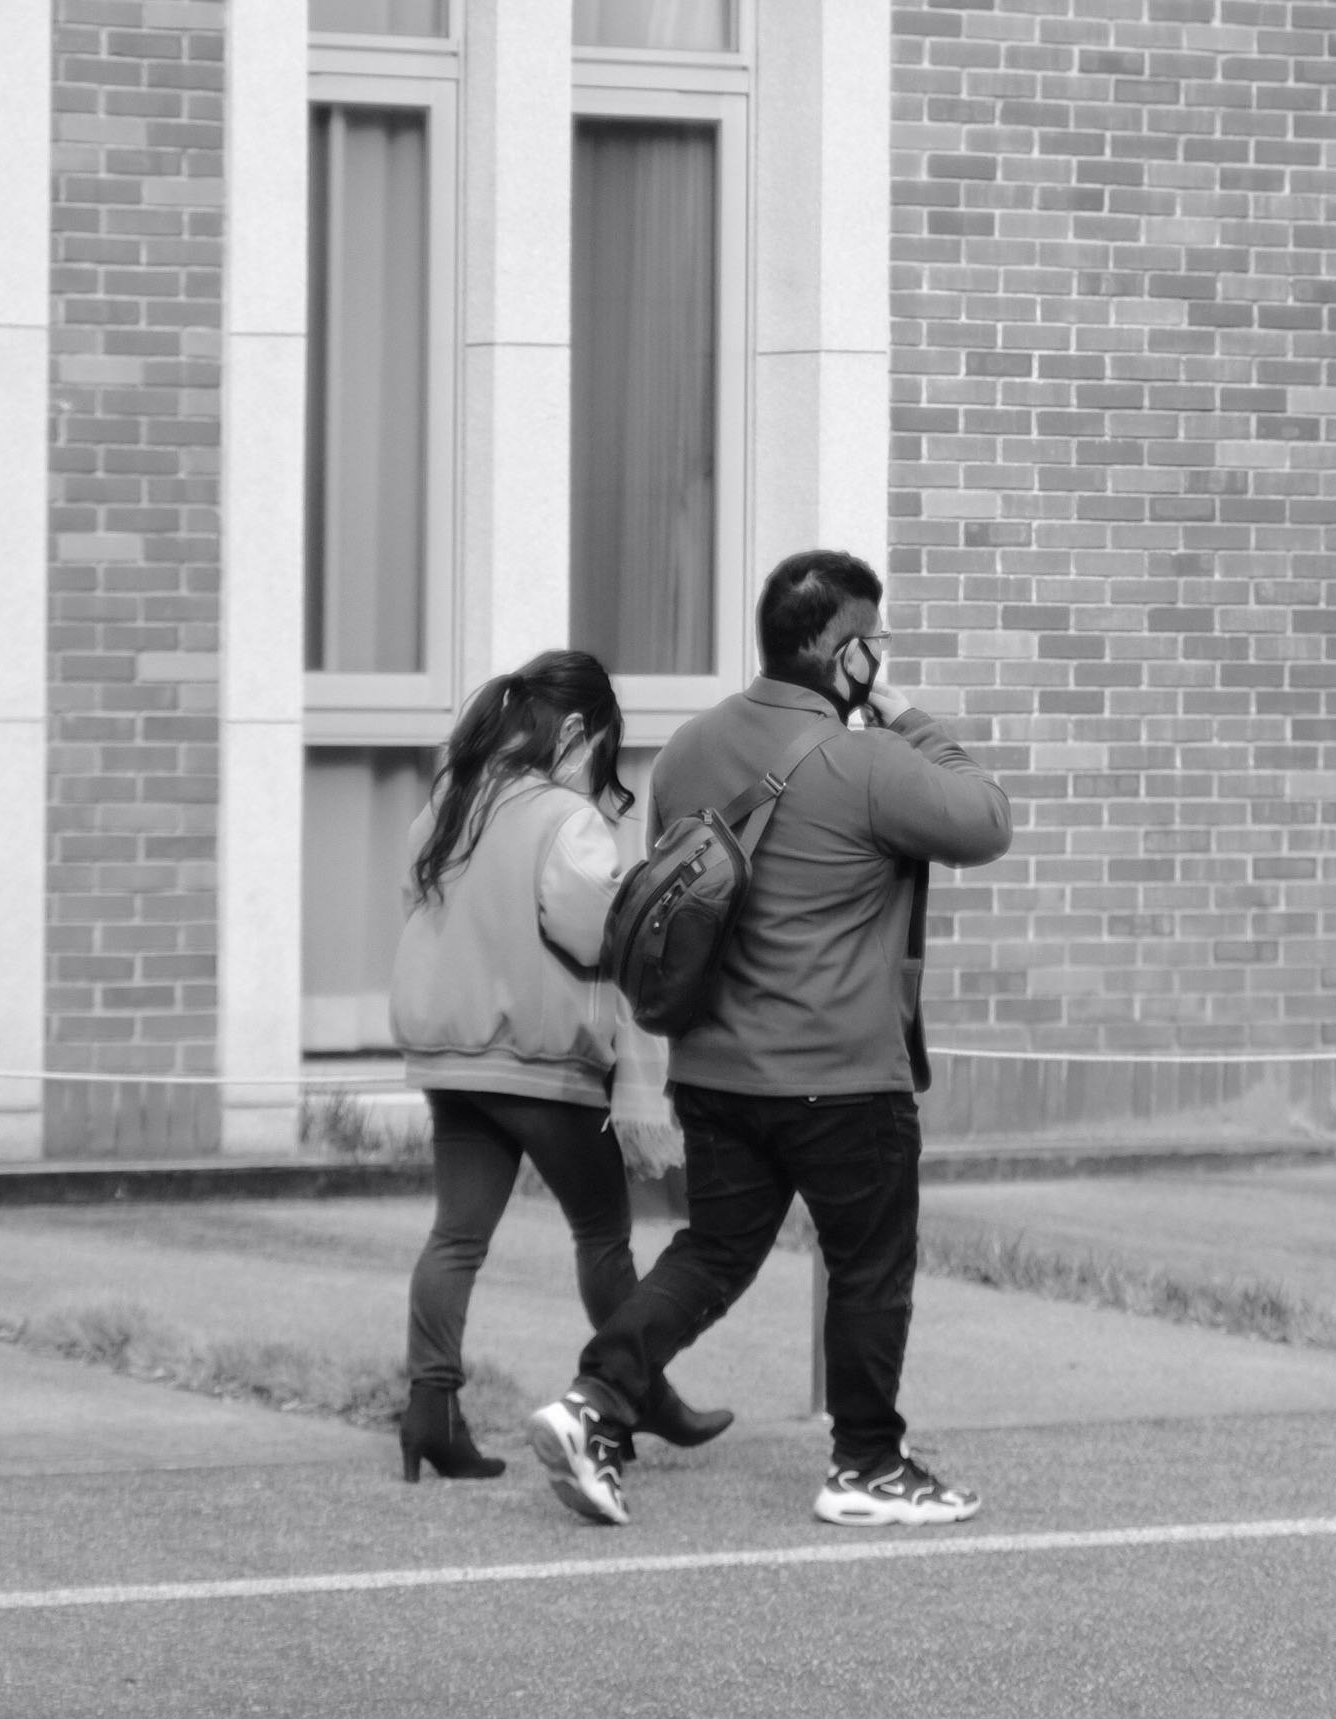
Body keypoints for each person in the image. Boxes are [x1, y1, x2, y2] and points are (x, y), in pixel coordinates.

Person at [526, 549, 1010, 1535]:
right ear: (845, 653)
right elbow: (983, 818)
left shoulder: (693, 749)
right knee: (870, 1265)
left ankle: (595, 1403)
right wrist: (904, 708)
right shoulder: (870, 760)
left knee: (712, 1252)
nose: (880, 657)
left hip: (716, 1070)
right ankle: (868, 1466)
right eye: (875, 643)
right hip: (839, 1076)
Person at [386, 646, 734, 1487]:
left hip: (453, 1061)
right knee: (602, 1236)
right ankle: (635, 1391)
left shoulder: (448, 805)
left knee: (456, 1237)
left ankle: (430, 1409)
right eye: (601, 751)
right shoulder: (562, 819)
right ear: (577, 731)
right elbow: (599, 938)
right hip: (544, 1066)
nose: (598, 772)